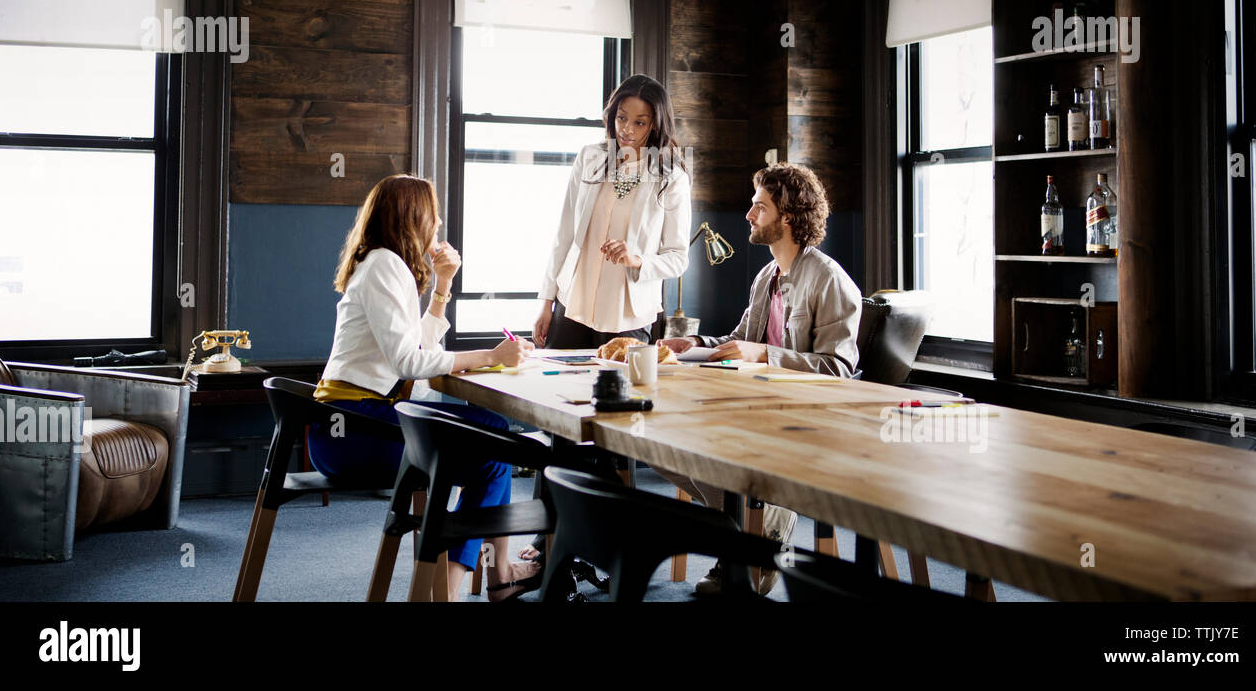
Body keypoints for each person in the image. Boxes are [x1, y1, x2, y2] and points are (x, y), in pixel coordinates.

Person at [306, 173, 539, 602]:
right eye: (434, 215)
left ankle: (497, 576)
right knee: (493, 442)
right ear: (412, 217)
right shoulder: (385, 265)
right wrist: (490, 356)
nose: (439, 224)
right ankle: (466, 586)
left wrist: (442, 286)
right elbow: (408, 363)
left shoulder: (381, 263)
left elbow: (418, 352)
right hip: (354, 432)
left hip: (350, 427)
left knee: (493, 441)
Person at [658, 161, 864, 595]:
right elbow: (740, 341)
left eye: (760, 207)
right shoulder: (766, 276)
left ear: (787, 217)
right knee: (661, 445)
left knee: (705, 448)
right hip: (752, 406)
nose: (749, 215)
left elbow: (838, 370)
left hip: (804, 420)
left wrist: (766, 355)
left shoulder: (829, 280)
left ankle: (749, 544)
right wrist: (695, 342)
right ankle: (759, 529)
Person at [533, 73, 692, 350]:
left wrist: (636, 260)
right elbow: (564, 234)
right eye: (621, 118)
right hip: (572, 306)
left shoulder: (671, 176)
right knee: (557, 376)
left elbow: (678, 258)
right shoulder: (590, 157)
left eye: (639, 122)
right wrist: (546, 302)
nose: (627, 129)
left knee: (621, 380)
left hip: (628, 313)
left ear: (655, 123)